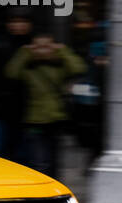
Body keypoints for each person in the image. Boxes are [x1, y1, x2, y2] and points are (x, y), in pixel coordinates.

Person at [5, 27, 87, 178]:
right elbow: (11, 72)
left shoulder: (59, 65)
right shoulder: (29, 67)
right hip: (35, 120)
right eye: (38, 46)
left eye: (47, 46)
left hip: (56, 119)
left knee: (55, 160)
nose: (42, 50)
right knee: (39, 161)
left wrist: (63, 51)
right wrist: (24, 53)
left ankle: (55, 187)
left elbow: (79, 68)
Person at [0, 7, 33, 162]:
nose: (18, 25)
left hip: (28, 107)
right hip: (3, 105)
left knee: (23, 153)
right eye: (14, 21)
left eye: (22, 21)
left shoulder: (34, 45)